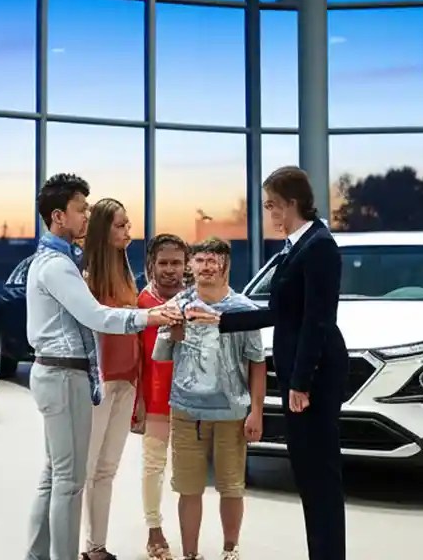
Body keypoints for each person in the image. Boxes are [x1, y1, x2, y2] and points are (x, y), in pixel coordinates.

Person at [182, 166, 348, 560]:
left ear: (292, 203)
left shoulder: (319, 246)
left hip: (316, 376)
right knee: (308, 477)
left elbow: (318, 319)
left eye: (272, 205)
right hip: (300, 372)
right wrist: (220, 318)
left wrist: (301, 382)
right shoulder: (297, 246)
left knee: (320, 479)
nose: (269, 213)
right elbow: (279, 311)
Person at [25, 173, 177, 560]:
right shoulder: (58, 267)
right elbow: (97, 316)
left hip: (65, 374)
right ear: (59, 216)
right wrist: (149, 317)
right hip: (63, 374)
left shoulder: (61, 262)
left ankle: (38, 555)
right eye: (81, 210)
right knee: (70, 481)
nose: (86, 217)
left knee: (56, 476)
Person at [153, 237, 265, 560]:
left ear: (226, 265)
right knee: (188, 488)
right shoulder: (177, 305)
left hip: (232, 411)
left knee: (232, 486)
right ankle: (190, 554)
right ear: (191, 265)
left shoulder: (244, 310)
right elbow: (161, 355)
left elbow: (257, 362)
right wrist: (175, 329)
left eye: (212, 261)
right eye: (200, 260)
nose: (206, 267)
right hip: (187, 411)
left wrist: (256, 411)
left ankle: (231, 549)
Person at [79, 198, 142, 560]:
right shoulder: (86, 277)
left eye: (128, 224)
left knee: (107, 469)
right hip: (99, 383)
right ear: (104, 229)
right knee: (86, 469)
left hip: (127, 380)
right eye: (121, 226)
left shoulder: (126, 271)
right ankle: (73, 544)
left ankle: (96, 547)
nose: (128, 232)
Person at [134, 233, 190, 560]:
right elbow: (137, 358)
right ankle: (154, 531)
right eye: (163, 263)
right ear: (151, 265)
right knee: (153, 466)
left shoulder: (196, 301)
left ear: (186, 265)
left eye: (177, 263)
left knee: (187, 470)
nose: (170, 269)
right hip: (155, 398)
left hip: (189, 400)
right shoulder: (141, 303)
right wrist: (138, 402)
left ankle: (189, 535)